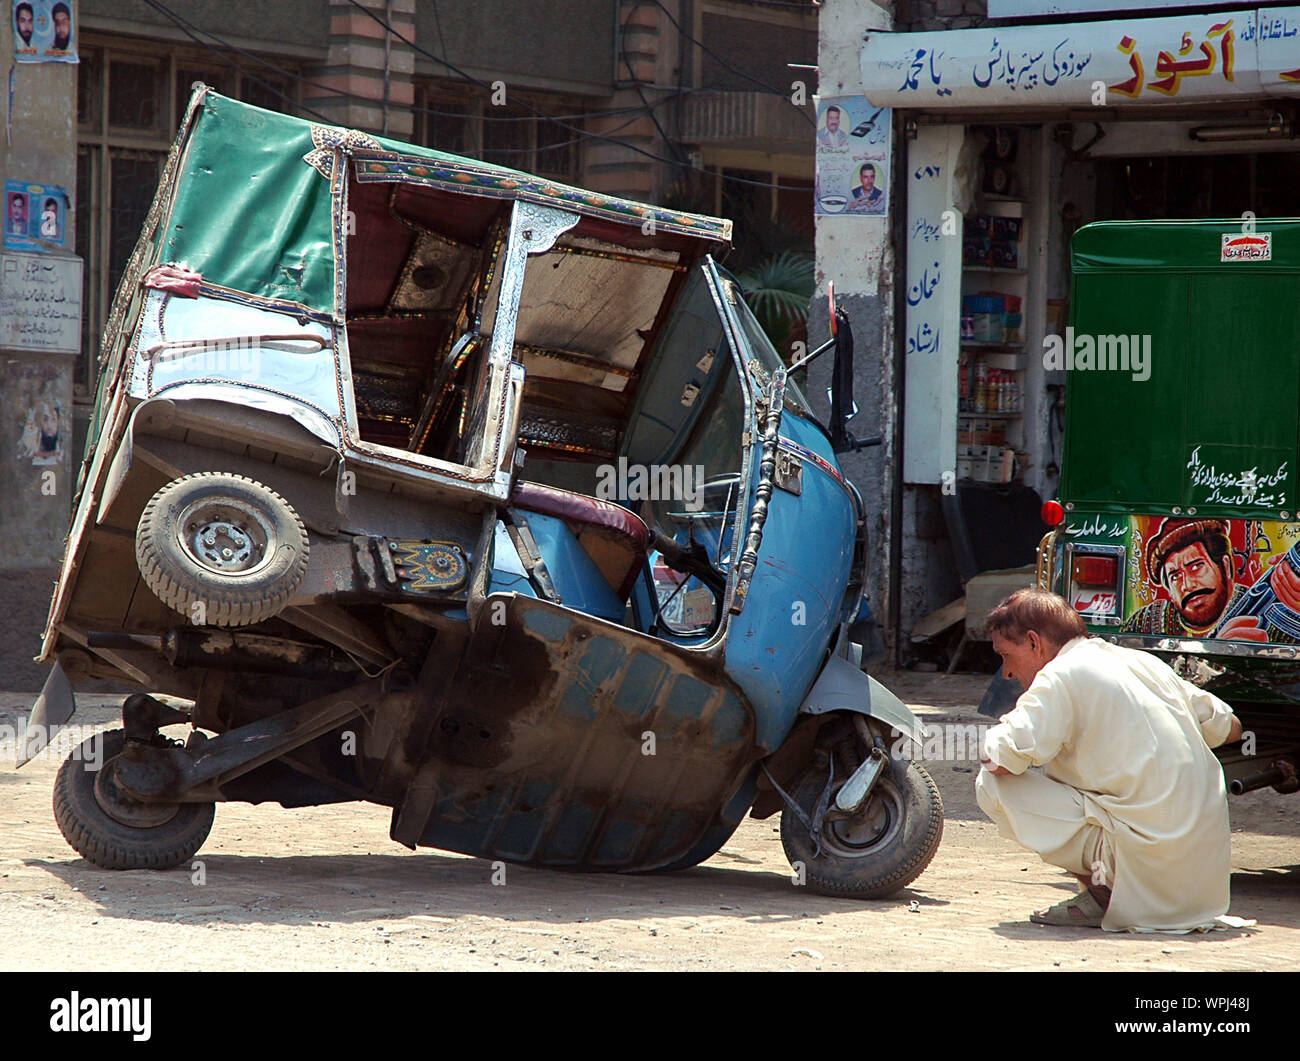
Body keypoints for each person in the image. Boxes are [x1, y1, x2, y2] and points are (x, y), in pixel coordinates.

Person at [975, 587, 1242, 931]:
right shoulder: (1140, 661)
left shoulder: (1059, 675)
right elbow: (1232, 728)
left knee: (991, 784)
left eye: (1005, 655)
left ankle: (1103, 896)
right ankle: (1111, 889)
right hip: (1202, 886)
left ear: (1033, 642)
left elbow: (999, 759)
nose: (1007, 673)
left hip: (1146, 871)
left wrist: (994, 737)